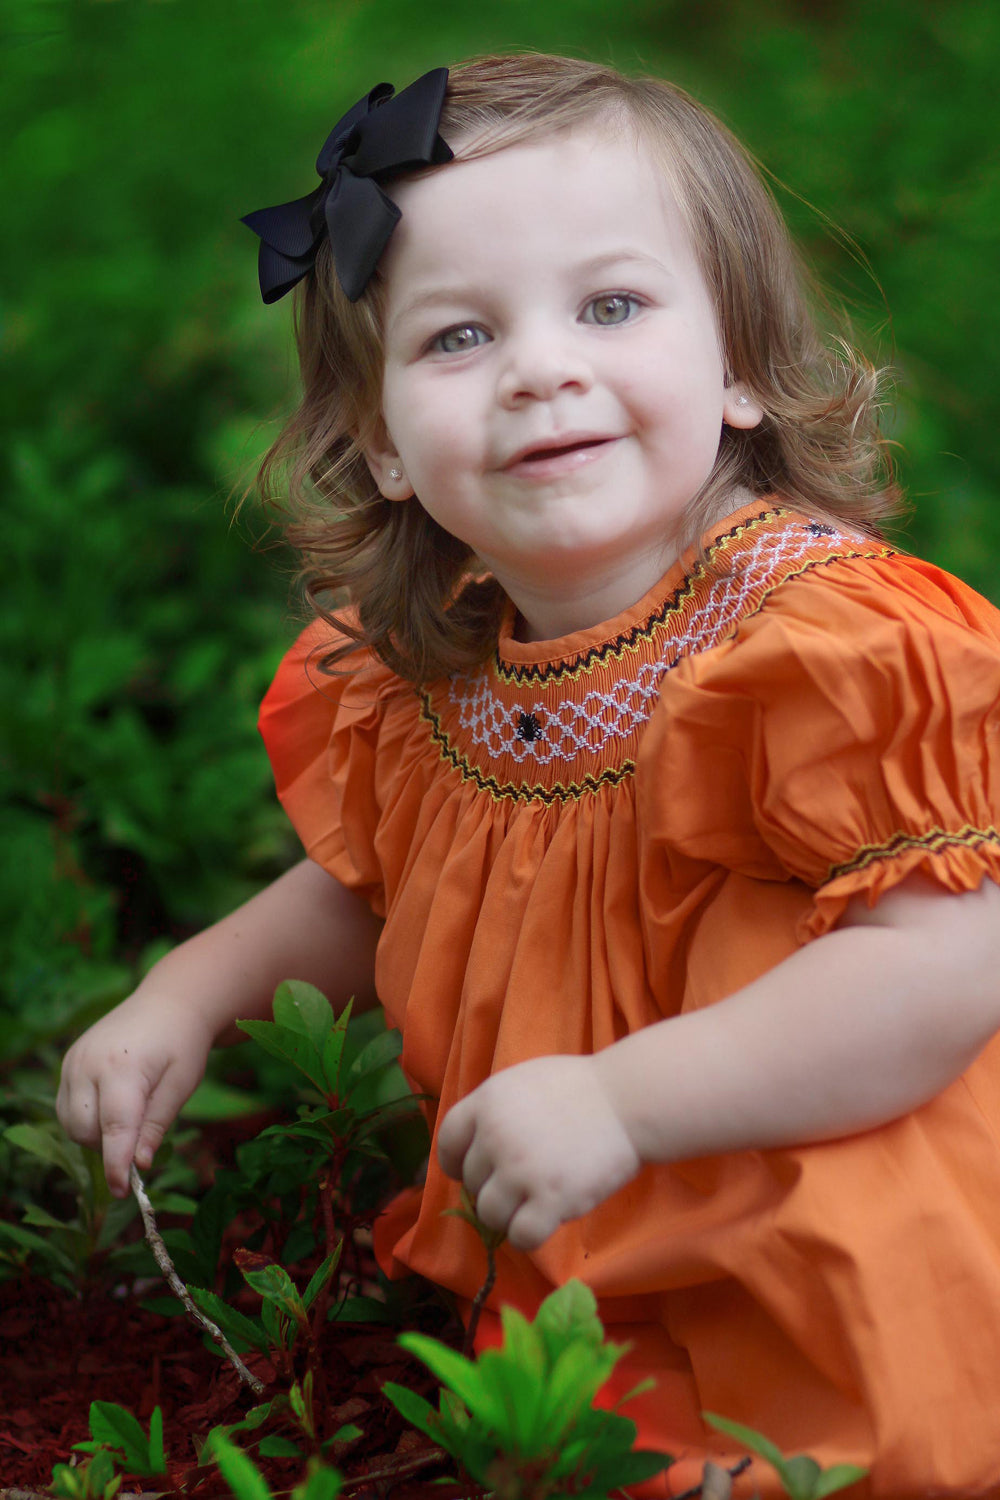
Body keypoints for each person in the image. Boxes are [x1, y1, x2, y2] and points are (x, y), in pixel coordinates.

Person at [57, 54, 1000, 1496]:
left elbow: (940, 971)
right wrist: (184, 995)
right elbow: (376, 886)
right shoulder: (433, 679)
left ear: (739, 364)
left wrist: (626, 1101)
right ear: (377, 442)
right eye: (456, 338)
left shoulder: (827, 644)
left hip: (839, 1228)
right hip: (594, 1243)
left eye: (611, 307)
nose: (542, 367)